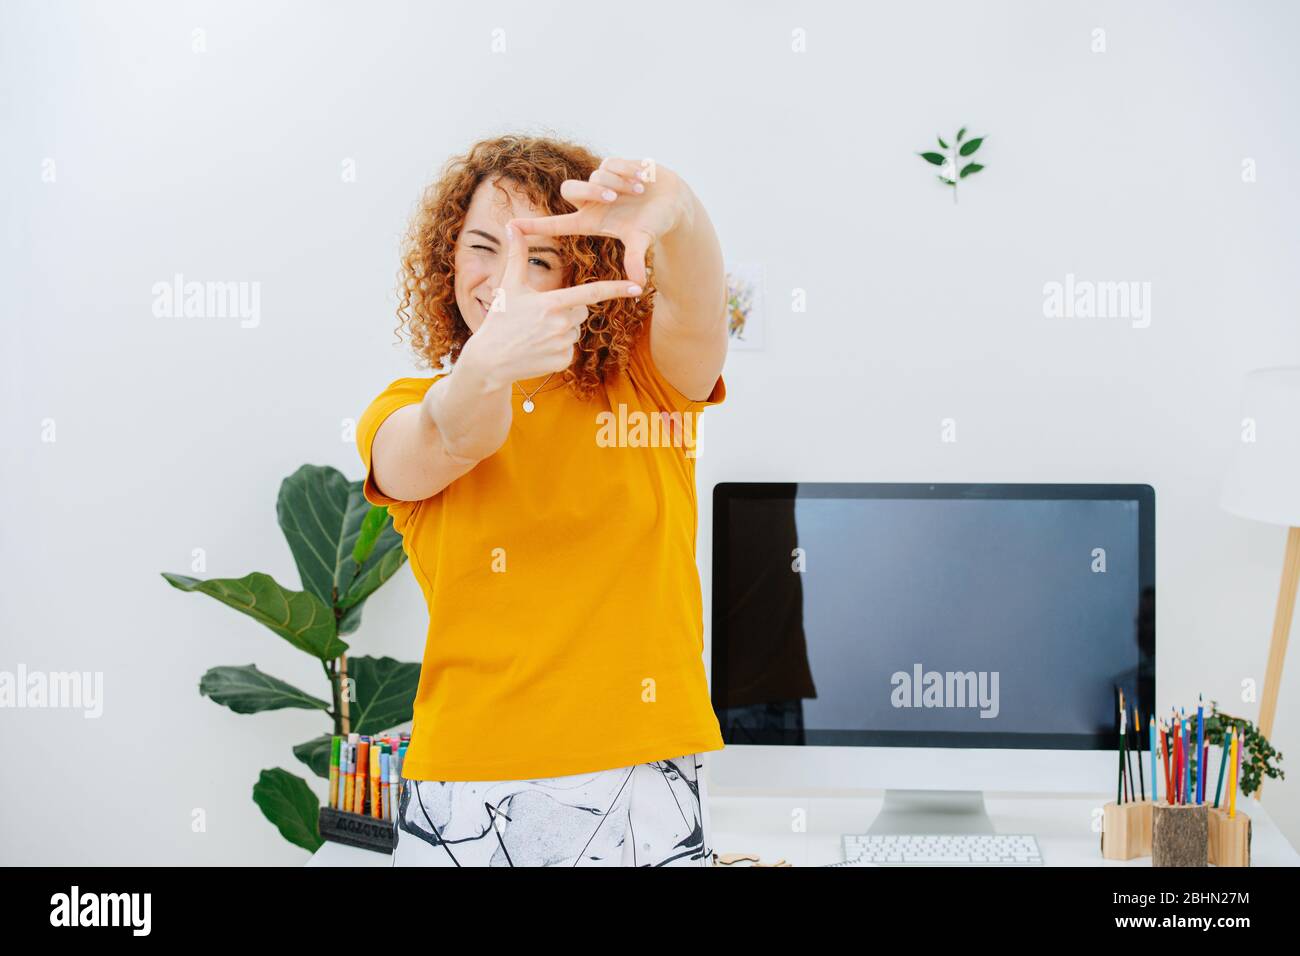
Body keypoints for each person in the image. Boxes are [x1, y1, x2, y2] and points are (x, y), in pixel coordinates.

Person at [355, 134, 729, 866]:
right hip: (468, 786)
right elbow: (454, 433)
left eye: (540, 257)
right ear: (447, 259)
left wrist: (679, 210)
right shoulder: (403, 408)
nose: (505, 281)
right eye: (482, 248)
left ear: (580, 271)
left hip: (640, 771)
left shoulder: (646, 387)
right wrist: (485, 366)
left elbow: (697, 311)